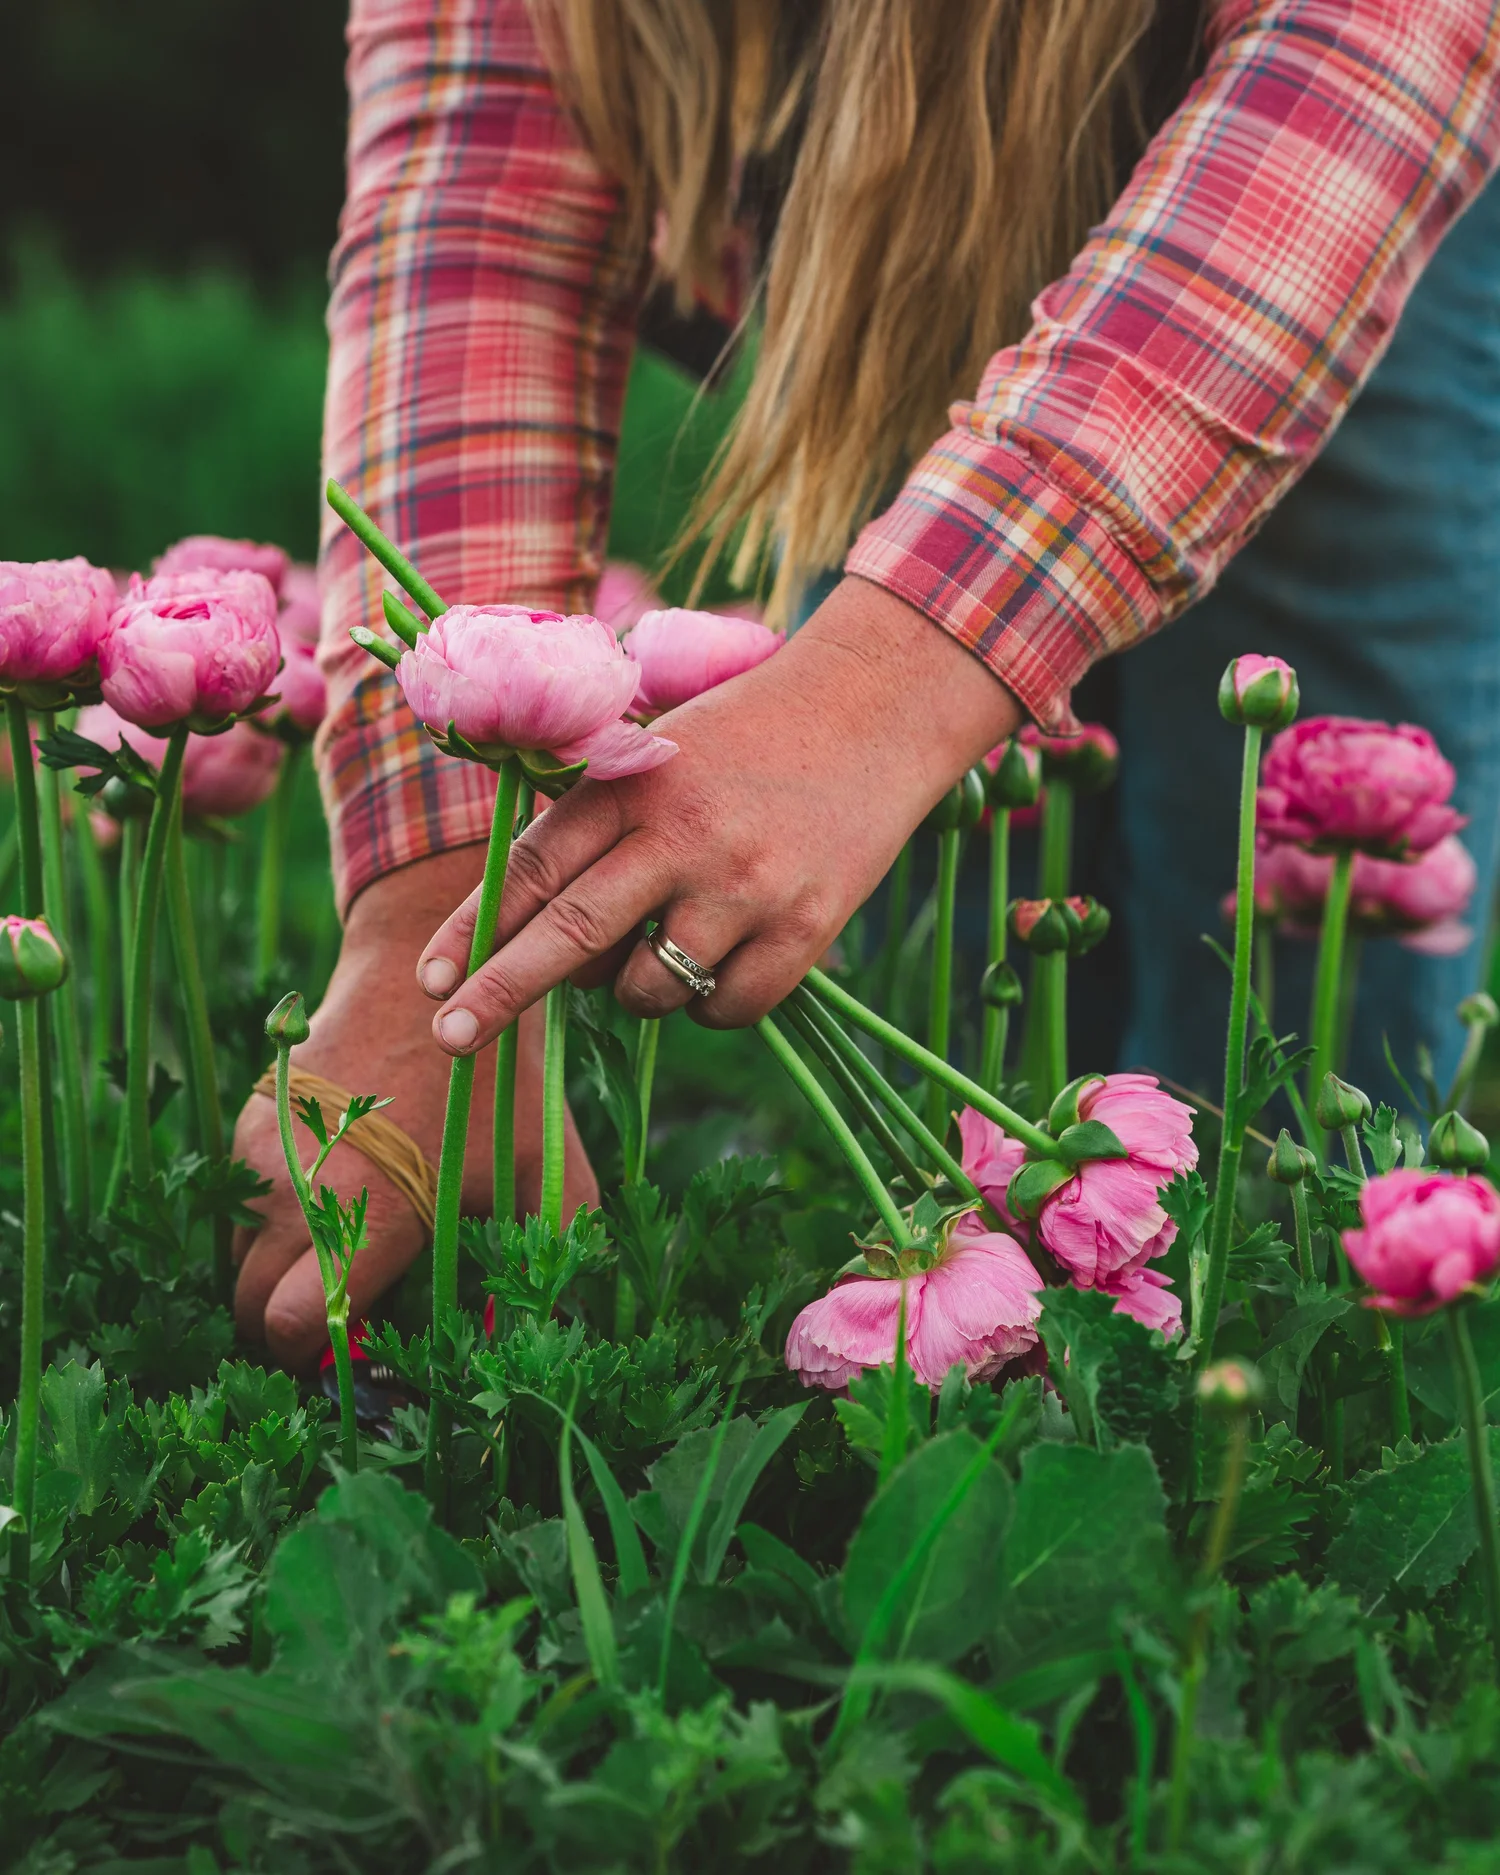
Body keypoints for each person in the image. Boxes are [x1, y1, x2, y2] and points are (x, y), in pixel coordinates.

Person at [232, 0, 1500, 1367]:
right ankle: (981, 1368)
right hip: (861, 164)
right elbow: (479, 224)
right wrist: (440, 912)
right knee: (904, 875)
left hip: (1335, 136)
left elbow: (1376, 39)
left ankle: (1298, 1372)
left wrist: (876, 687)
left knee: (1298, 798)